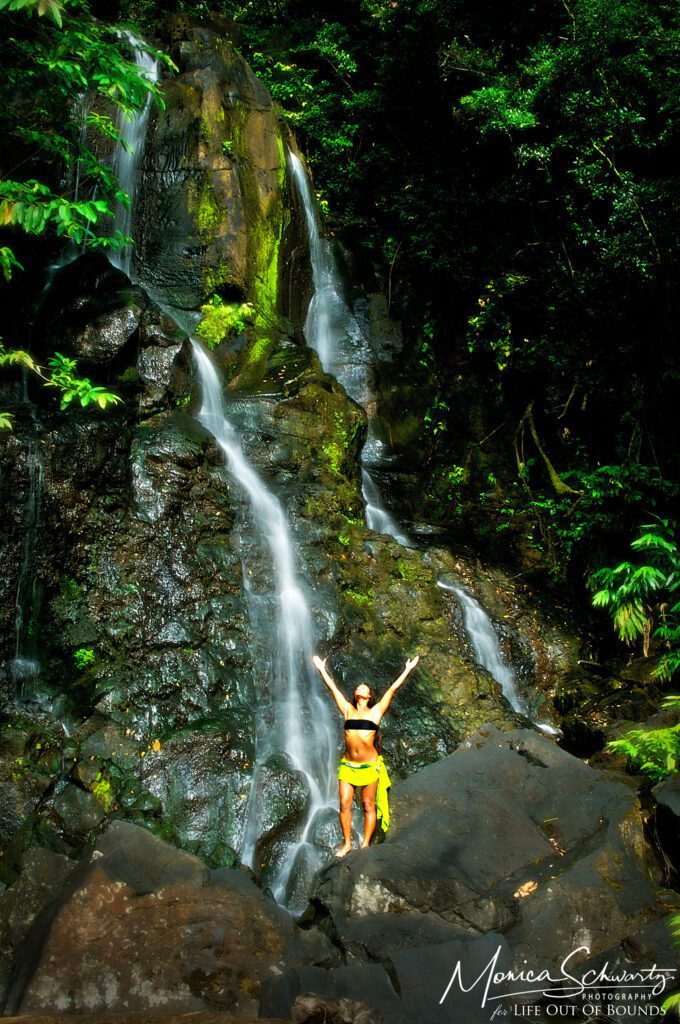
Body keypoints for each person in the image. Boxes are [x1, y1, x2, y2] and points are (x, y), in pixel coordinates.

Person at [311, 654, 420, 857]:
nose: (360, 688)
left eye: (364, 688)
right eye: (358, 688)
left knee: (368, 804)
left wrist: (407, 669)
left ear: (369, 696)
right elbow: (333, 688)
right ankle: (346, 844)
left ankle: (366, 844)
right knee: (344, 804)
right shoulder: (347, 710)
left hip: (369, 767)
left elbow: (392, 689)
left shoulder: (376, 712)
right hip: (348, 766)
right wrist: (322, 669)